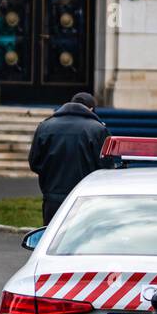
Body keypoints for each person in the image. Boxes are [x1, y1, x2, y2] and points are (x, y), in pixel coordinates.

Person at [28, 92, 109, 225]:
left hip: (53, 199)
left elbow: (34, 163)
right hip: (86, 198)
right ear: (91, 109)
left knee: (52, 240)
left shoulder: (45, 126)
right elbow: (106, 166)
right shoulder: (98, 129)